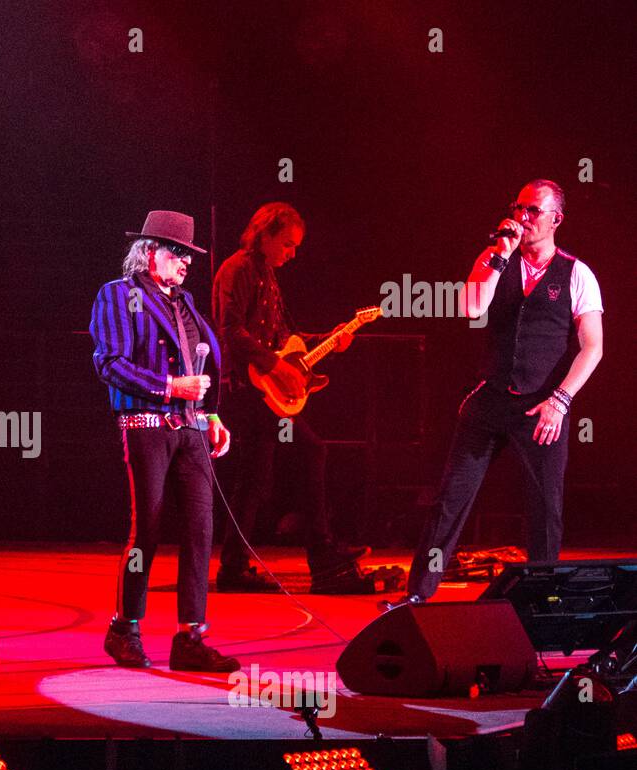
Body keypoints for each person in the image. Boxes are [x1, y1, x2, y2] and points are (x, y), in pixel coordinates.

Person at [385, 179, 604, 610]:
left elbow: (593, 345)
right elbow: (470, 307)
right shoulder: (494, 259)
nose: (523, 217)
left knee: (546, 507)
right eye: (518, 208)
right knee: (450, 498)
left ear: (555, 219)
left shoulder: (576, 273)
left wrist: (560, 400)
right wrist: (500, 257)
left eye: (533, 211)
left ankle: (542, 599)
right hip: (491, 399)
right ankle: (418, 592)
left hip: (542, 404)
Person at [89, 210, 240, 672]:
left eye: (189, 256)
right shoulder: (118, 295)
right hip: (146, 425)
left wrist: (209, 412)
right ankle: (124, 629)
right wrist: (170, 387)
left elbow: (198, 369)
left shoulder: (185, 303)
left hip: (190, 428)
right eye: (178, 253)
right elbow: (109, 363)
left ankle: (190, 637)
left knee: (200, 530)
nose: (186, 262)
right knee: (148, 529)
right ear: (150, 252)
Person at [212, 202, 366, 593]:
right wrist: (274, 366)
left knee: (254, 478)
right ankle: (322, 555)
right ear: (264, 235)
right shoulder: (238, 270)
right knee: (310, 451)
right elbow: (230, 331)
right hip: (248, 389)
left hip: (263, 388)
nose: (291, 253)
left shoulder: (266, 275)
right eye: (286, 244)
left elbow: (283, 342)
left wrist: (327, 341)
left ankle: (233, 567)